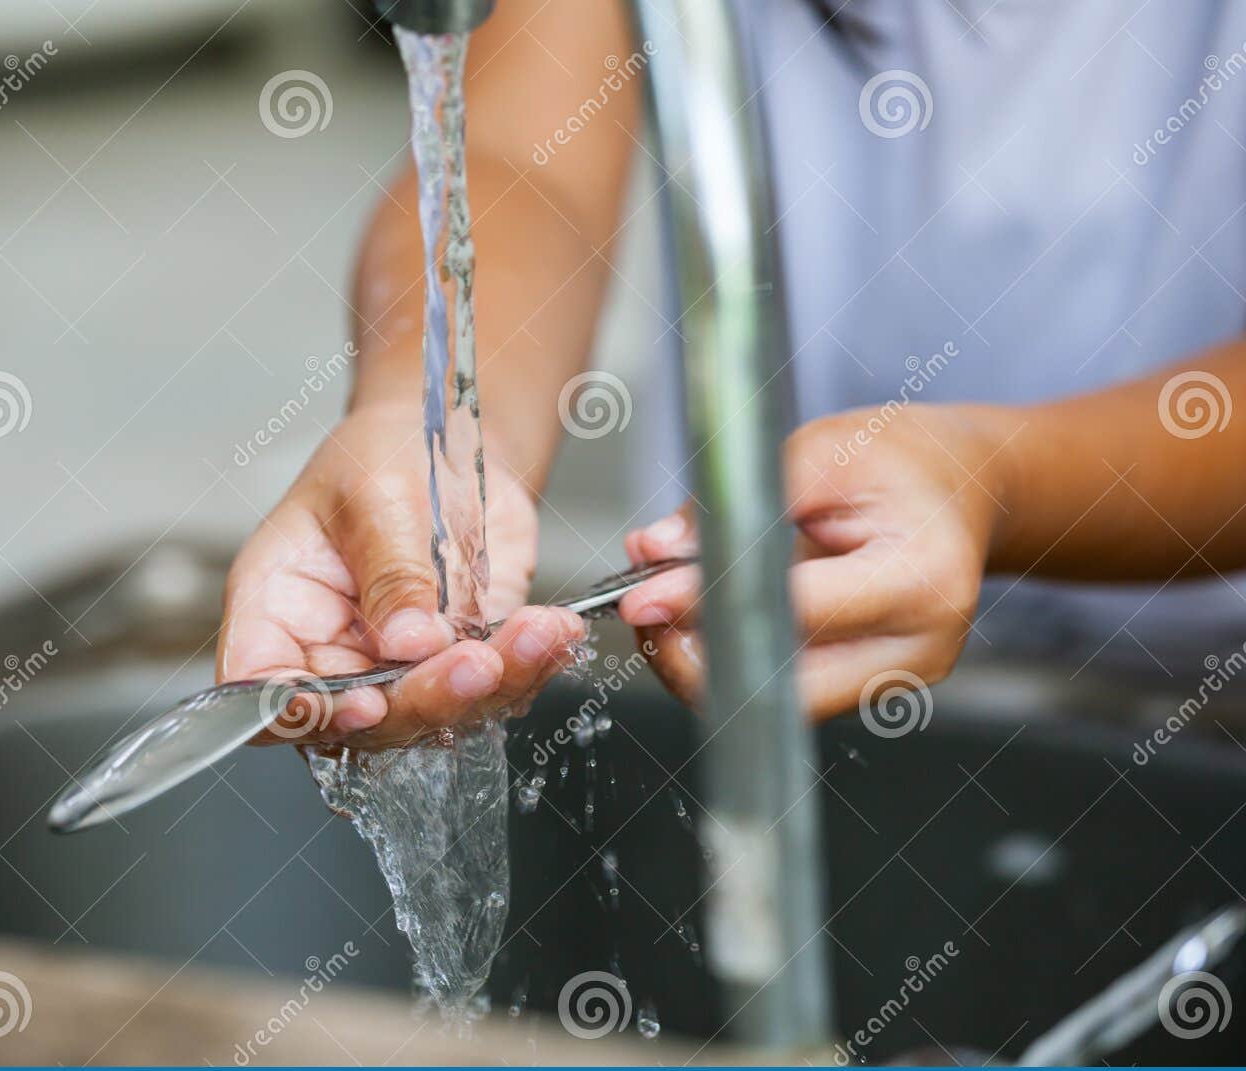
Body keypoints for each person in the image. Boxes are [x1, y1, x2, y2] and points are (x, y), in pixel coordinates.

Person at [218, 0, 1246, 746]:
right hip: (749, 684)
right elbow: (520, 158)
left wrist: (996, 482)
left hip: (1201, 700)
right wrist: (431, 415)